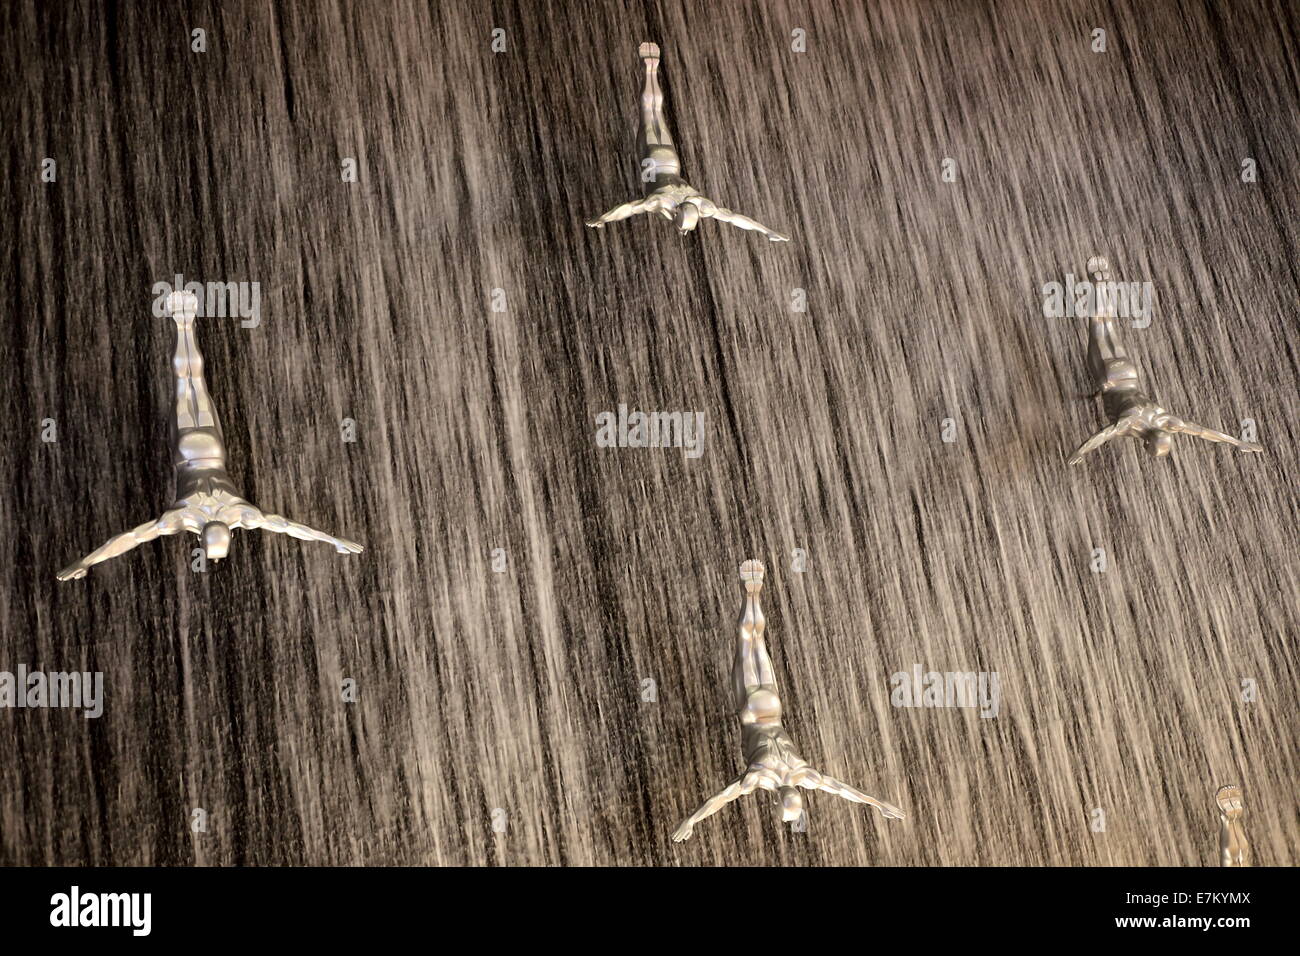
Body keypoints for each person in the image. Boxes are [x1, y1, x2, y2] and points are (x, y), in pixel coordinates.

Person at [58, 291, 362, 580]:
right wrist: (332, 540)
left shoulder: (241, 515)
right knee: (185, 384)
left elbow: (291, 527)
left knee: (196, 383)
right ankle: (183, 322)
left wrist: (333, 540)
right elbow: (132, 537)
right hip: (187, 451)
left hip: (212, 449)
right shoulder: (187, 517)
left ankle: (185, 321)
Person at [672, 560, 903, 841]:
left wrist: (879, 805)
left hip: (773, 705)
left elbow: (842, 789)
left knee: (759, 643)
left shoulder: (806, 775)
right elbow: (722, 798)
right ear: (776, 801)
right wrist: (692, 820)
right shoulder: (758, 777)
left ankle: (755, 592)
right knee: (746, 642)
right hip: (750, 711)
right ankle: (749, 592)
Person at [586, 43, 790, 241]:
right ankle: (649, 69)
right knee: (648, 112)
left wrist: (767, 231)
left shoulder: (703, 205)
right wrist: (603, 218)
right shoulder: (660, 201)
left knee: (658, 113)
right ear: (677, 213)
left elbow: (735, 218)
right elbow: (629, 208)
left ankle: (652, 71)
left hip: (671, 161)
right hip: (651, 160)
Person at [1068, 257, 1263, 464]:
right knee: (1098, 325)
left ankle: (1103, 284)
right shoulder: (1130, 423)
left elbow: (1203, 431)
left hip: (1129, 375)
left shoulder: (1168, 421)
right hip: (1108, 379)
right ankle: (1096, 283)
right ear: (1146, 443)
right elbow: (1103, 435)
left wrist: (1239, 442)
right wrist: (1081, 451)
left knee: (1110, 326)